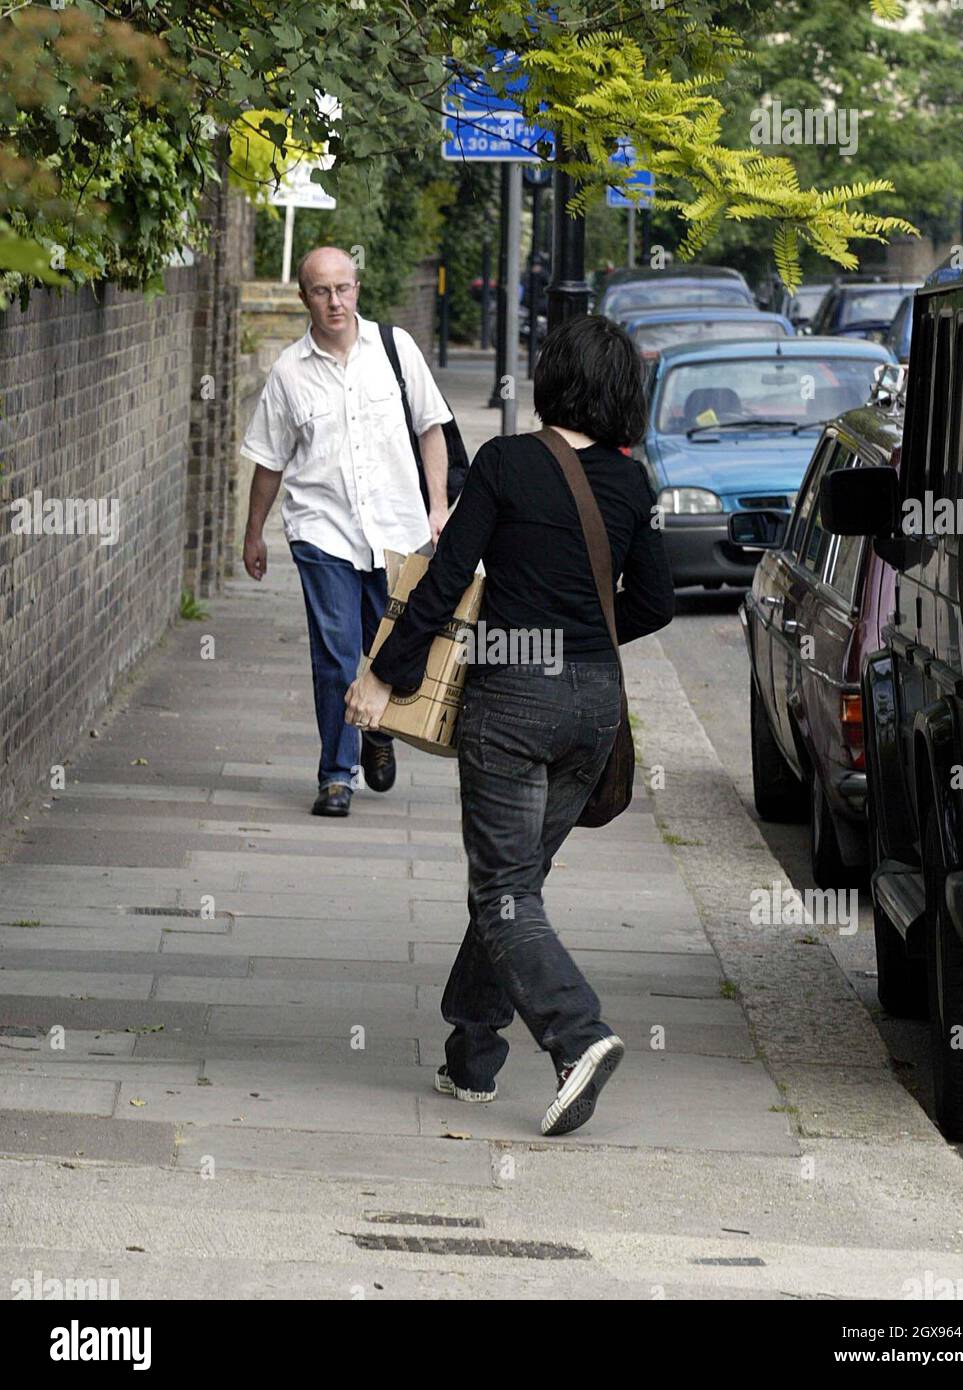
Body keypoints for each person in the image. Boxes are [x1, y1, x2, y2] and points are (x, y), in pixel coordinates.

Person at [344, 314, 674, 1137]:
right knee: (513, 889)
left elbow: (446, 578)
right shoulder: (634, 484)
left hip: (512, 706)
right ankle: (471, 1057)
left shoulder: (503, 463)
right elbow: (656, 604)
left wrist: (383, 679)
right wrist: (583, 639)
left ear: (551, 379)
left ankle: (578, 1036)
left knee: (501, 890)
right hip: (593, 707)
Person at [239, 247, 453, 818]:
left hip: (395, 531)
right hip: (322, 533)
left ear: (357, 287)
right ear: (304, 298)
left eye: (343, 288)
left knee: (389, 650)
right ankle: (337, 774)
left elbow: (432, 428)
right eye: (320, 291)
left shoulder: (395, 349)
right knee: (336, 656)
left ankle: (377, 731)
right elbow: (269, 461)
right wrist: (253, 533)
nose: (335, 301)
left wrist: (438, 507)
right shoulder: (288, 372)